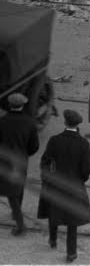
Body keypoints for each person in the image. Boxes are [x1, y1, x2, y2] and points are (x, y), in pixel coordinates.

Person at [37, 110, 90, 263]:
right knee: (72, 220)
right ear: (78, 125)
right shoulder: (83, 143)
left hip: (55, 183)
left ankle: (53, 240)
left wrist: (47, 177)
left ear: (65, 123)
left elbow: (45, 161)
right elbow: (86, 168)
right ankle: (71, 253)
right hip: (74, 185)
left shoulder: (55, 140)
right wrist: (80, 180)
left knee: (52, 210)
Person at [0, 93, 40, 236]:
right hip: (20, 160)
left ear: (10, 105)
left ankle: (21, 226)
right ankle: (16, 216)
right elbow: (34, 146)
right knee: (17, 189)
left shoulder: (2, 121)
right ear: (23, 105)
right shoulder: (30, 123)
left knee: (9, 192)